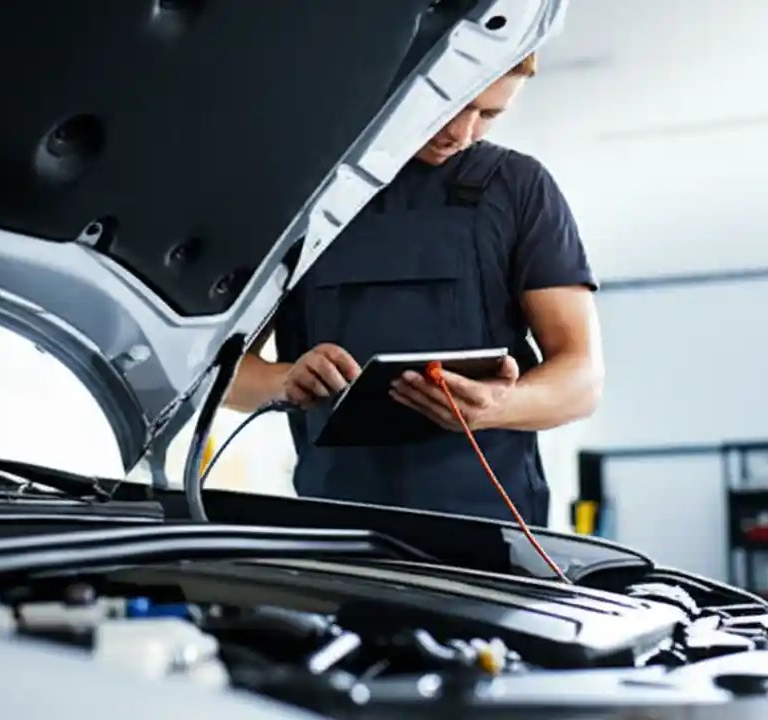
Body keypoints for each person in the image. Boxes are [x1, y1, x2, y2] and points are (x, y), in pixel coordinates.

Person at [224, 53, 602, 526]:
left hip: (491, 533)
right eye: (449, 107)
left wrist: (497, 406)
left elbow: (582, 380)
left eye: (488, 115)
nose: (461, 134)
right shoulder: (300, 198)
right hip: (334, 526)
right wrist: (285, 382)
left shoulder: (520, 188)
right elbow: (223, 375)